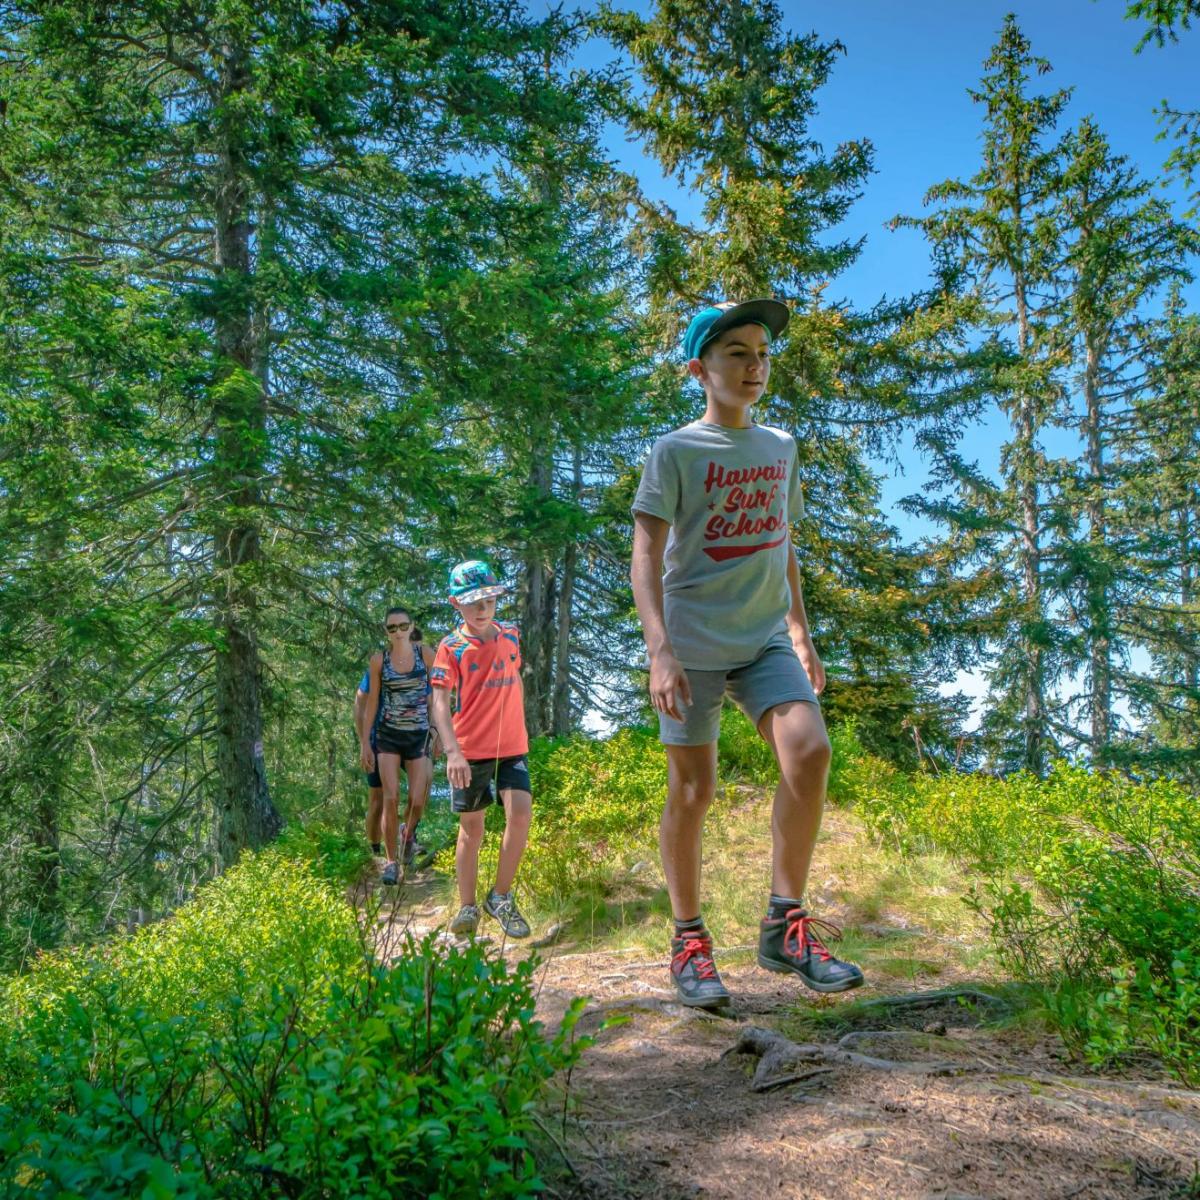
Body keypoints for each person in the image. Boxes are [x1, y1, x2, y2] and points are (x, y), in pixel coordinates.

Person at [629, 298, 864, 1009]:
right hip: (692, 642)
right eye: (737, 352)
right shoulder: (675, 451)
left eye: (762, 353)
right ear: (700, 369)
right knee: (695, 793)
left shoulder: (781, 447)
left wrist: (801, 630)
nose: (754, 365)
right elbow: (645, 554)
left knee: (809, 750)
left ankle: (784, 926)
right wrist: (659, 650)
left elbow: (781, 542)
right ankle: (689, 940)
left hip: (763, 636)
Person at [429, 560, 533, 940]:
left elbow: (515, 675)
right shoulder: (451, 647)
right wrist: (453, 751)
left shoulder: (510, 634)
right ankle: (467, 906)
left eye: (488, 599)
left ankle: (500, 896)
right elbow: (440, 702)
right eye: (472, 601)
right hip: (470, 751)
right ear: (455, 603)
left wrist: (522, 726)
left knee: (520, 815)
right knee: (472, 829)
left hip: (512, 746)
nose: (482, 608)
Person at [360, 606, 436, 886]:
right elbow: (370, 703)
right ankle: (391, 863)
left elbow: (439, 694)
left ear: (411, 625)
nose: (398, 632)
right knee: (390, 797)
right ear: (386, 632)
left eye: (403, 626)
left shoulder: (426, 655)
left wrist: (438, 731)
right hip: (388, 736)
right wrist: (365, 744)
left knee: (417, 799)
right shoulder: (379, 661)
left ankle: (407, 833)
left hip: (418, 736)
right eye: (392, 628)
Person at [353, 671, 384, 856]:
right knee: (377, 799)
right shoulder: (378, 668)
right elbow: (359, 703)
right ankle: (374, 850)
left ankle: (409, 835)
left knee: (420, 788)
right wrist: (364, 742)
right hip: (377, 740)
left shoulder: (421, 666)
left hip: (410, 738)